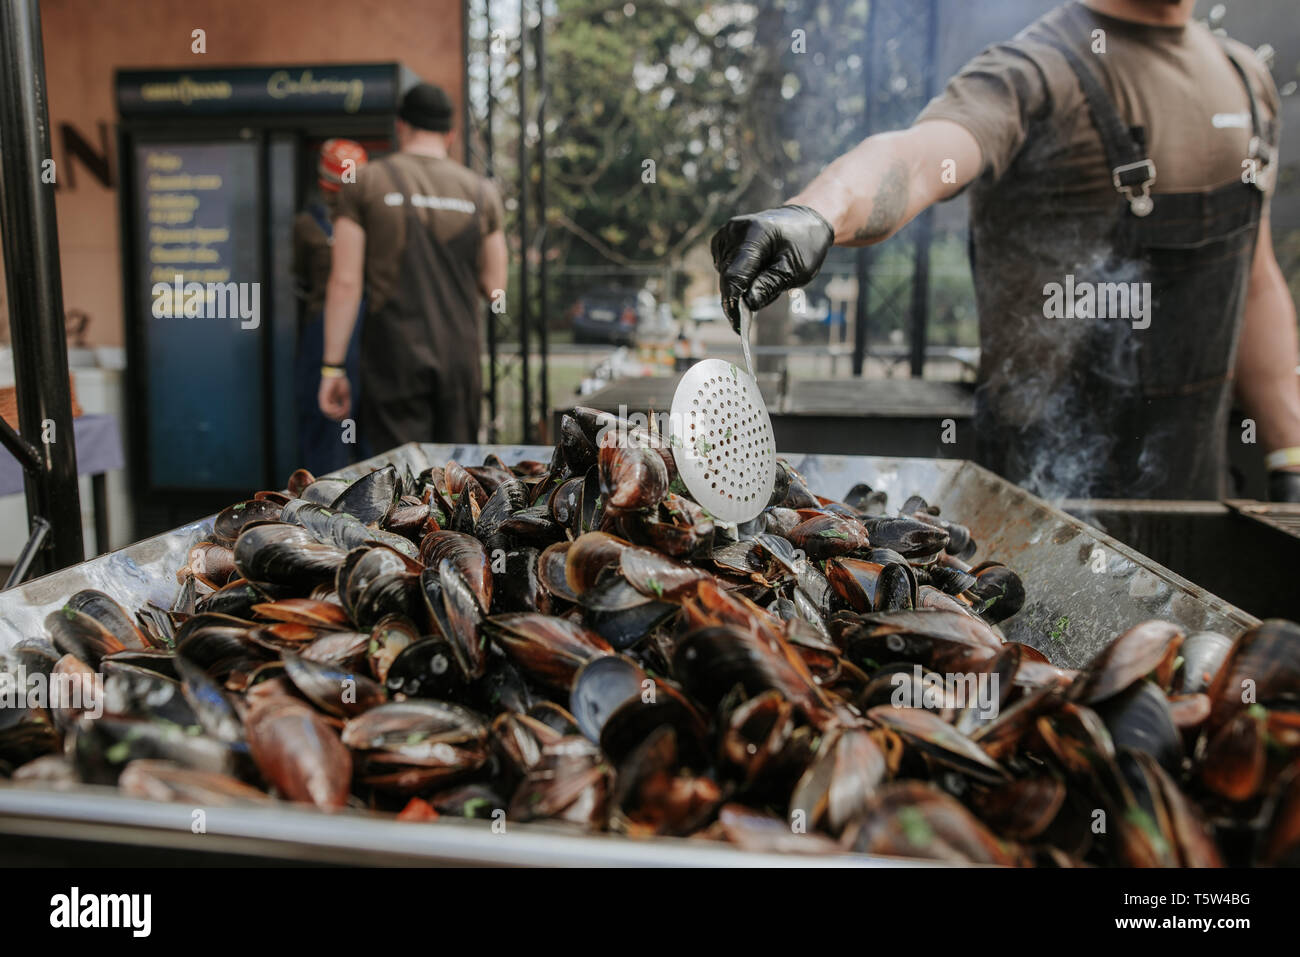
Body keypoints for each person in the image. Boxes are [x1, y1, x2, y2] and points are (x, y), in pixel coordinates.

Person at [712, 0, 1300, 501]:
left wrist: (1289, 452)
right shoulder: (1031, 70)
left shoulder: (1247, 78)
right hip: (1039, 497)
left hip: (1194, 487)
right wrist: (817, 212)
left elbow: (1255, 278)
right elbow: (919, 159)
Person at [318, 83, 508, 451]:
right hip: (460, 359)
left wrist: (332, 368)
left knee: (401, 482)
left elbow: (345, 283)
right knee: (459, 475)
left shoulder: (363, 184)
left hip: (393, 358)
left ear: (401, 126)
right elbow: (495, 287)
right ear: (450, 134)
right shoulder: (483, 193)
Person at [293, 138, 368, 475]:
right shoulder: (376, 224)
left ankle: (324, 505)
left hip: (325, 337)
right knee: (364, 436)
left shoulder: (307, 226)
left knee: (327, 431)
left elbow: (299, 278)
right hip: (363, 335)